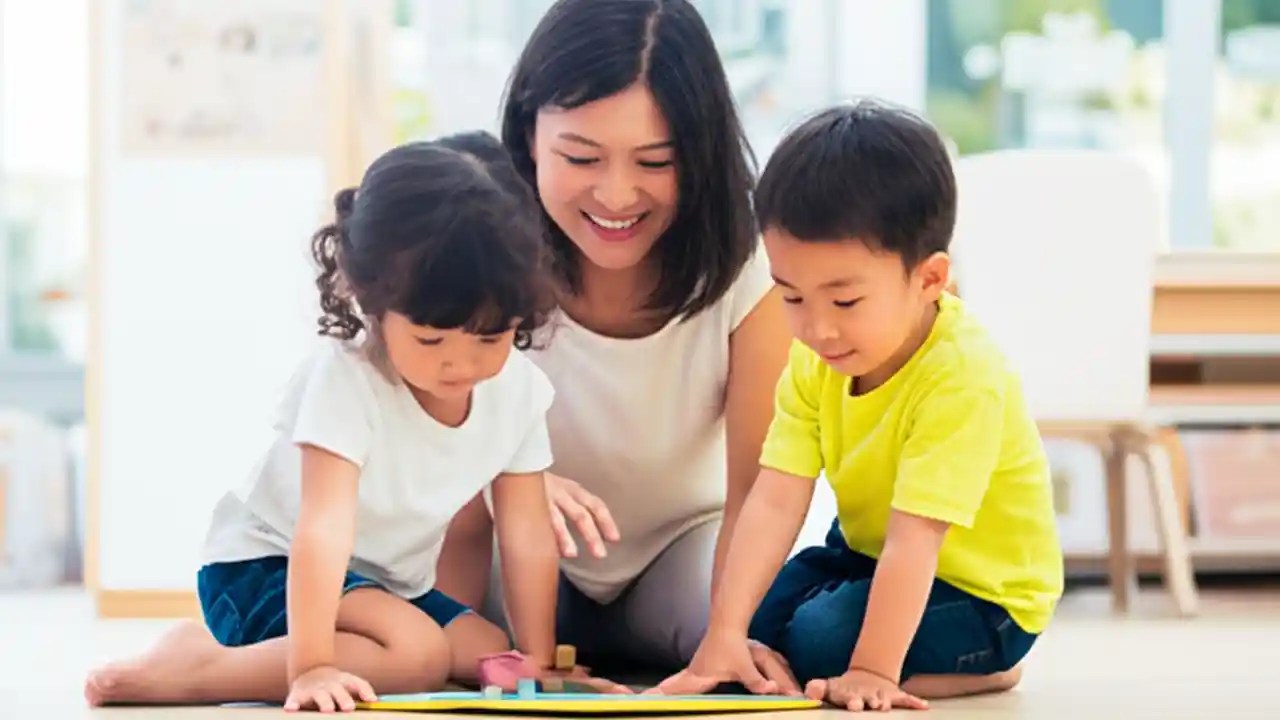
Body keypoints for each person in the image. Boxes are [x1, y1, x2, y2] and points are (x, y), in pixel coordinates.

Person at [85, 132, 609, 711]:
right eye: (430, 337)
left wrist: (534, 660)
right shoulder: (349, 378)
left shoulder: (518, 391)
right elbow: (323, 528)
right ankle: (199, 667)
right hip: (266, 569)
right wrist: (311, 668)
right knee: (421, 656)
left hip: (379, 584)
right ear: (372, 302)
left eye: (491, 336)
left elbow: (526, 532)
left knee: (488, 650)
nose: (460, 362)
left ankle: (338, 648)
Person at [655, 100, 1065, 710]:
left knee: (823, 642)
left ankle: (990, 669)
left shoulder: (961, 376)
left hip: (987, 597)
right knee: (754, 627)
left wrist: (873, 670)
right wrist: (723, 634)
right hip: (867, 556)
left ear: (929, 280)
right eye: (792, 297)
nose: (817, 329)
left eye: (844, 302)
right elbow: (775, 498)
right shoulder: (816, 357)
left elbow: (918, 539)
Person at [436, 0, 793, 680]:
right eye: (581, 156)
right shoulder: (482, 244)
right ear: (529, 137)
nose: (618, 194)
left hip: (680, 554)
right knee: (404, 623)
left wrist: (727, 630)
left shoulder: (752, 269)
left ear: (701, 154)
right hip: (510, 549)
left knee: (770, 633)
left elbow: (757, 486)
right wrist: (512, 488)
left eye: (655, 161)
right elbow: (429, 448)